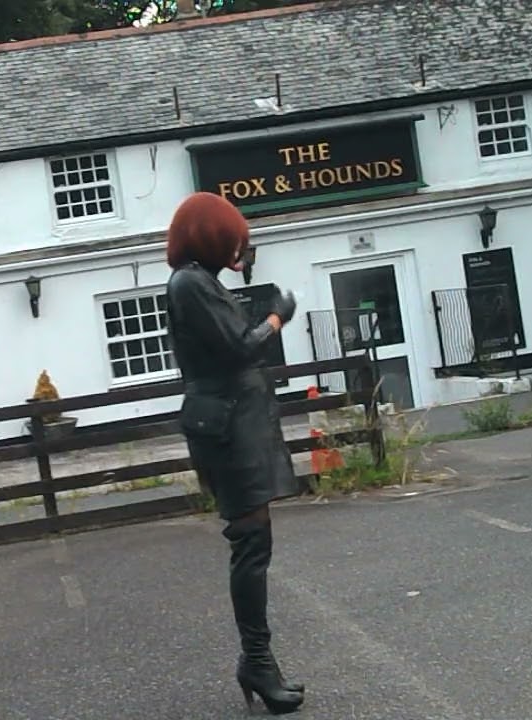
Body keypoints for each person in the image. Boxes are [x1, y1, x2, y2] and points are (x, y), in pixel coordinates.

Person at [164, 191, 303, 715]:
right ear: (210, 236)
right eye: (235, 239)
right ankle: (258, 663)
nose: (242, 248)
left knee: (255, 542)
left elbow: (228, 341)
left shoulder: (201, 281)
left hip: (234, 423)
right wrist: (277, 318)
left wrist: (239, 268)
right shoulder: (190, 284)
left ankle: (259, 662)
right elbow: (241, 346)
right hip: (226, 428)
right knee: (249, 545)